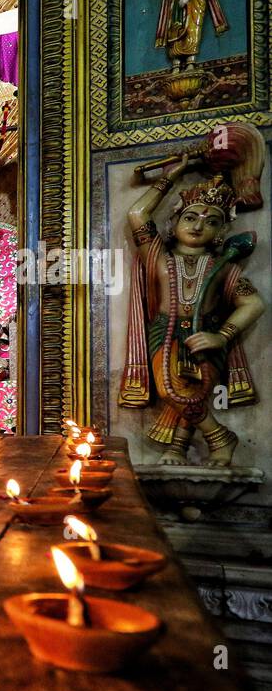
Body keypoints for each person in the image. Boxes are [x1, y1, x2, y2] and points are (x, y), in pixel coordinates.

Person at [120, 155, 264, 466]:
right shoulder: (158, 256)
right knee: (170, 389)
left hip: (206, 335)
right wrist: (173, 175)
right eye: (190, 217)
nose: (199, 226)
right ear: (174, 222)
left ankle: (177, 448)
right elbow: (137, 213)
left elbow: (253, 303)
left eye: (211, 221)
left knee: (194, 392)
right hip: (165, 331)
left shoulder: (223, 266)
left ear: (222, 230)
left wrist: (222, 337)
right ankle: (219, 436)